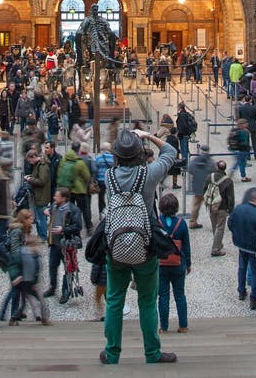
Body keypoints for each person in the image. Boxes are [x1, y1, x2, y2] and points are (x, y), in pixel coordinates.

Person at [101, 127, 178, 366]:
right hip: (144, 244)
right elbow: (170, 151)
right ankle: (152, 352)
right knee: (147, 300)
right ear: (139, 154)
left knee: (114, 300)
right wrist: (147, 135)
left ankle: (112, 353)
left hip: (116, 245)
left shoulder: (109, 176)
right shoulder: (149, 174)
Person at [227, 188, 256, 310]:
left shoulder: (238, 209)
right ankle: (253, 297)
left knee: (241, 267)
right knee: (255, 271)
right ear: (255, 200)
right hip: (253, 247)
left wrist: (236, 234)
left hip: (240, 244)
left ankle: (241, 291)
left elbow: (230, 223)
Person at [157, 192, 191, 334]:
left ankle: (164, 327)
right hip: (178, 263)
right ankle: (183, 325)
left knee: (163, 296)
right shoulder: (181, 224)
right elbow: (187, 246)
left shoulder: (157, 223)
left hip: (161, 264)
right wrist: (188, 263)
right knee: (180, 295)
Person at [43, 186, 82, 303]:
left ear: (64, 199)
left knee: (68, 269)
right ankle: (52, 287)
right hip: (54, 243)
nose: (54, 197)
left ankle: (66, 291)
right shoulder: (55, 206)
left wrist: (63, 229)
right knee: (52, 266)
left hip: (67, 245)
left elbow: (77, 226)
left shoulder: (74, 210)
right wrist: (45, 211)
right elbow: (46, 209)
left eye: (57, 196)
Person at [203, 160, 235, 256]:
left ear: (217, 167)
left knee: (214, 225)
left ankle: (218, 243)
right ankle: (216, 248)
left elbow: (204, 189)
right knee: (220, 227)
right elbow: (230, 197)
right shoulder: (228, 180)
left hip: (211, 205)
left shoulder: (210, 177)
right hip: (222, 206)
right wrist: (231, 208)